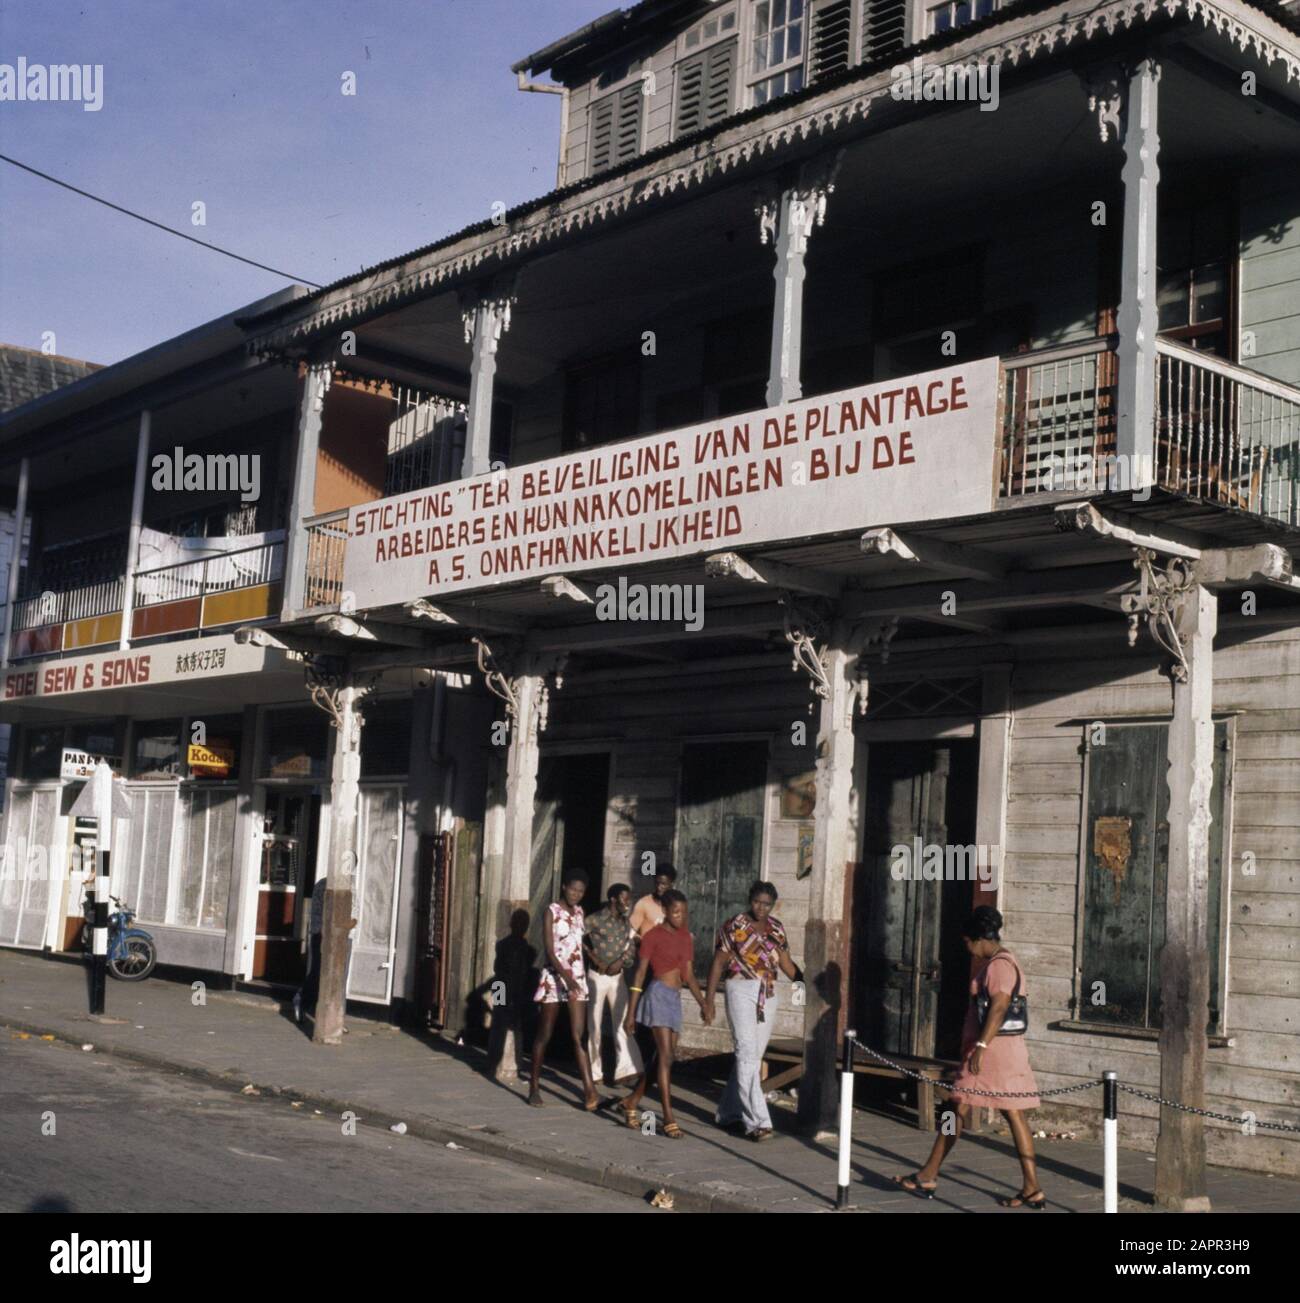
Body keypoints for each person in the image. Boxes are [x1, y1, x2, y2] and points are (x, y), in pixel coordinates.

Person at [894, 906, 1045, 1208]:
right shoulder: (1006, 961)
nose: (967, 949)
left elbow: (999, 1006)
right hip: (1007, 1051)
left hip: (990, 1055)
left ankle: (928, 1175)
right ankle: (1032, 1187)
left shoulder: (997, 966)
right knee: (1013, 1114)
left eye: (967, 942)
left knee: (954, 1110)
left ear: (978, 938)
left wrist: (981, 1046)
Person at [705, 880, 802, 1141]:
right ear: (750, 900)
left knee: (751, 1056)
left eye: (767, 904)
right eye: (757, 902)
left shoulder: (776, 929)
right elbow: (718, 963)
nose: (761, 907)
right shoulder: (734, 925)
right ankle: (758, 1121)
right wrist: (709, 999)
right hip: (739, 989)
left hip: (767, 993)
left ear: (773, 905)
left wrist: (806, 984)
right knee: (746, 1052)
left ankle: (727, 1113)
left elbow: (786, 964)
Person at [620, 889, 710, 1139]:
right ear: (666, 912)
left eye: (684, 912)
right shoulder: (652, 937)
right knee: (666, 1055)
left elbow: (689, 974)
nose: (681, 917)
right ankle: (668, 1117)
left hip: (674, 998)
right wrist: (630, 1013)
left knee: (665, 1059)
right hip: (657, 994)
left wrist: (703, 1002)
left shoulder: (685, 938)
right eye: (676, 912)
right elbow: (639, 974)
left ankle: (632, 1101)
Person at [528, 869, 600, 1110]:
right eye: (573, 889)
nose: (576, 895)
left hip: (576, 978)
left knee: (579, 1035)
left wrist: (593, 957)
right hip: (554, 977)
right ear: (563, 887)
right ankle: (534, 1087)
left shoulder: (579, 912)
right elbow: (549, 950)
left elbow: (578, 943)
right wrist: (565, 978)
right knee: (544, 1033)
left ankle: (590, 1091)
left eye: (580, 891)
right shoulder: (551, 911)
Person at [583, 883, 644, 1085]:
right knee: (594, 1026)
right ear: (613, 899)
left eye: (629, 899)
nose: (627, 903)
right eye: (624, 899)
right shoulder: (595, 919)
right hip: (596, 978)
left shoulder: (626, 923)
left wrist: (622, 961)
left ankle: (626, 1070)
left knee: (623, 1023)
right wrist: (593, 956)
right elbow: (576, 938)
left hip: (618, 979)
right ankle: (594, 1072)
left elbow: (631, 945)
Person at [628, 863, 677, 937]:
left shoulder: (676, 906)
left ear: (672, 884)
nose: (659, 887)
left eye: (663, 884)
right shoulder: (643, 903)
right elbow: (631, 933)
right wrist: (643, 942)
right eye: (657, 883)